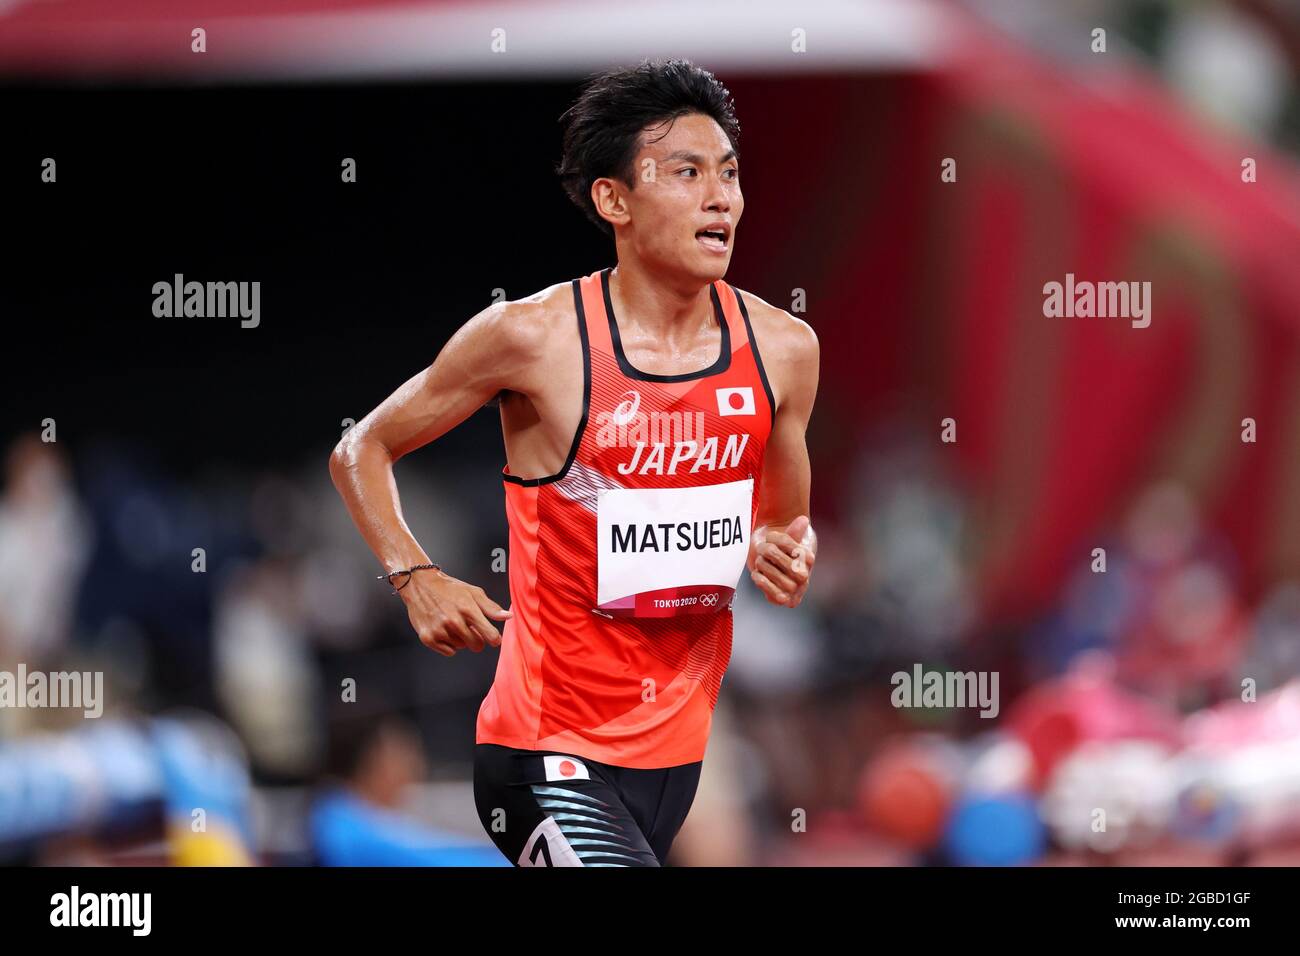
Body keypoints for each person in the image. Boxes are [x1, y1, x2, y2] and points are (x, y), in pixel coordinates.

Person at [329, 58, 819, 866]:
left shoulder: (783, 351)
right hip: (544, 750)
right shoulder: (534, 339)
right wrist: (415, 576)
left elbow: (784, 526)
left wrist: (786, 552)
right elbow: (362, 448)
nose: (721, 197)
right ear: (613, 199)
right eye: (688, 173)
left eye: (729, 174)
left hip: (676, 756)